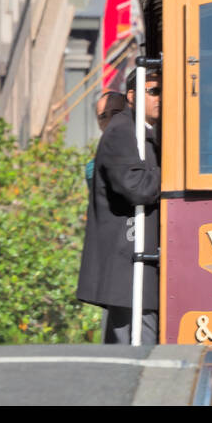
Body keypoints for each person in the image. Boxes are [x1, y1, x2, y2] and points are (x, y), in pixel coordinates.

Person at [77, 70, 162, 344]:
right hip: (128, 264)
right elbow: (136, 188)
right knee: (135, 346)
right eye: (153, 91)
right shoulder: (122, 131)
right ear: (133, 96)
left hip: (137, 265)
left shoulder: (142, 130)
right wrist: (175, 170)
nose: (161, 98)